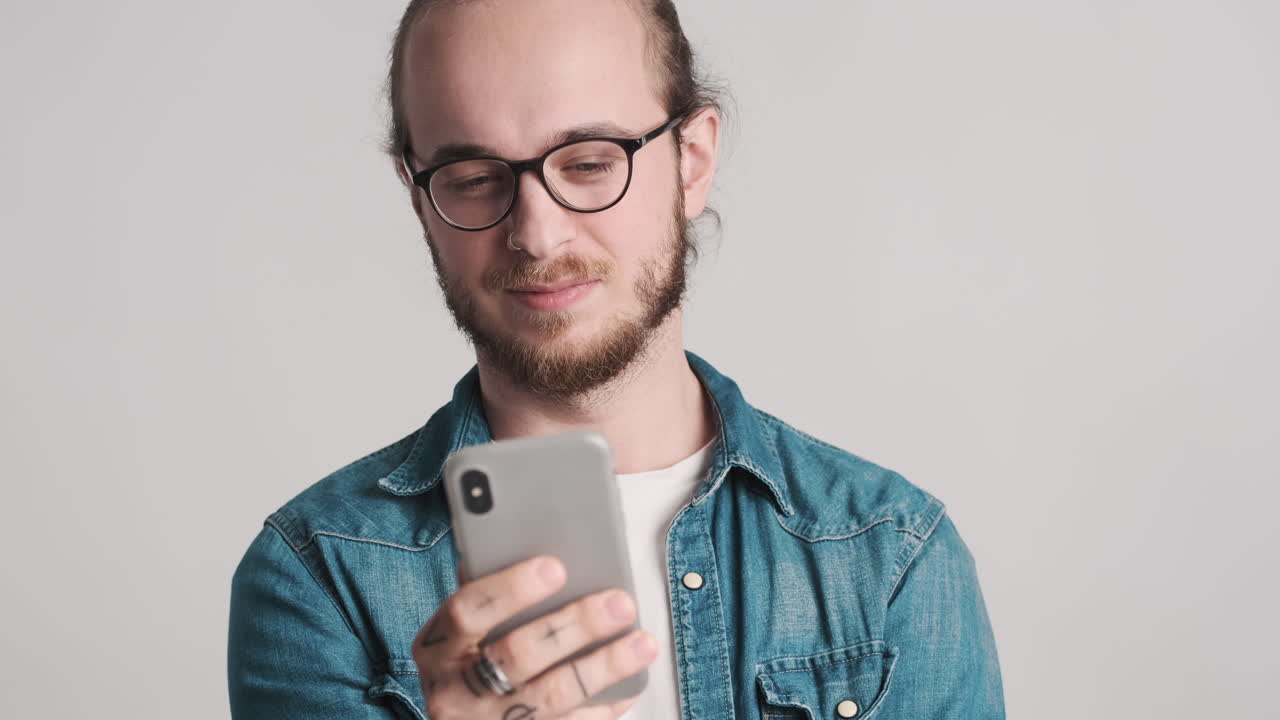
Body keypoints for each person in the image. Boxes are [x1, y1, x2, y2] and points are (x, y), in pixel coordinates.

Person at [227, 0, 1005, 718]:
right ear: (417, 196)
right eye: (473, 179)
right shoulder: (318, 577)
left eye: (590, 162)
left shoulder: (891, 555)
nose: (538, 234)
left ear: (692, 160)